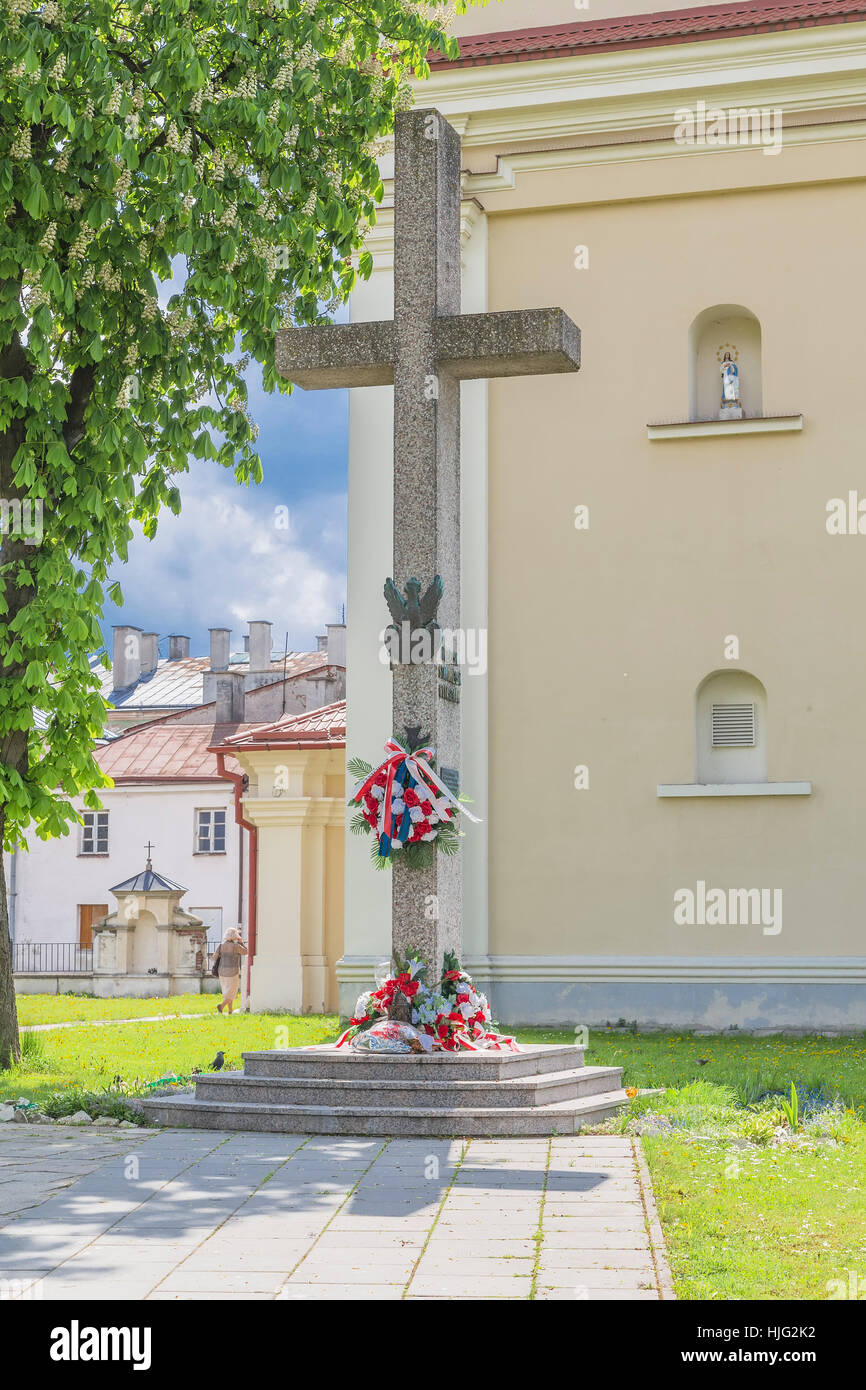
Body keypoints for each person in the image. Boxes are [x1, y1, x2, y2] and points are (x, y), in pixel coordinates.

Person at [212, 926, 248, 1015]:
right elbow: (246, 952)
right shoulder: (236, 946)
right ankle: (221, 1006)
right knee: (232, 992)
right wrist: (241, 943)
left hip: (222, 971)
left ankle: (230, 1011)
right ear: (235, 936)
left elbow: (214, 957)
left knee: (227, 992)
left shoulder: (221, 945)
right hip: (232, 971)